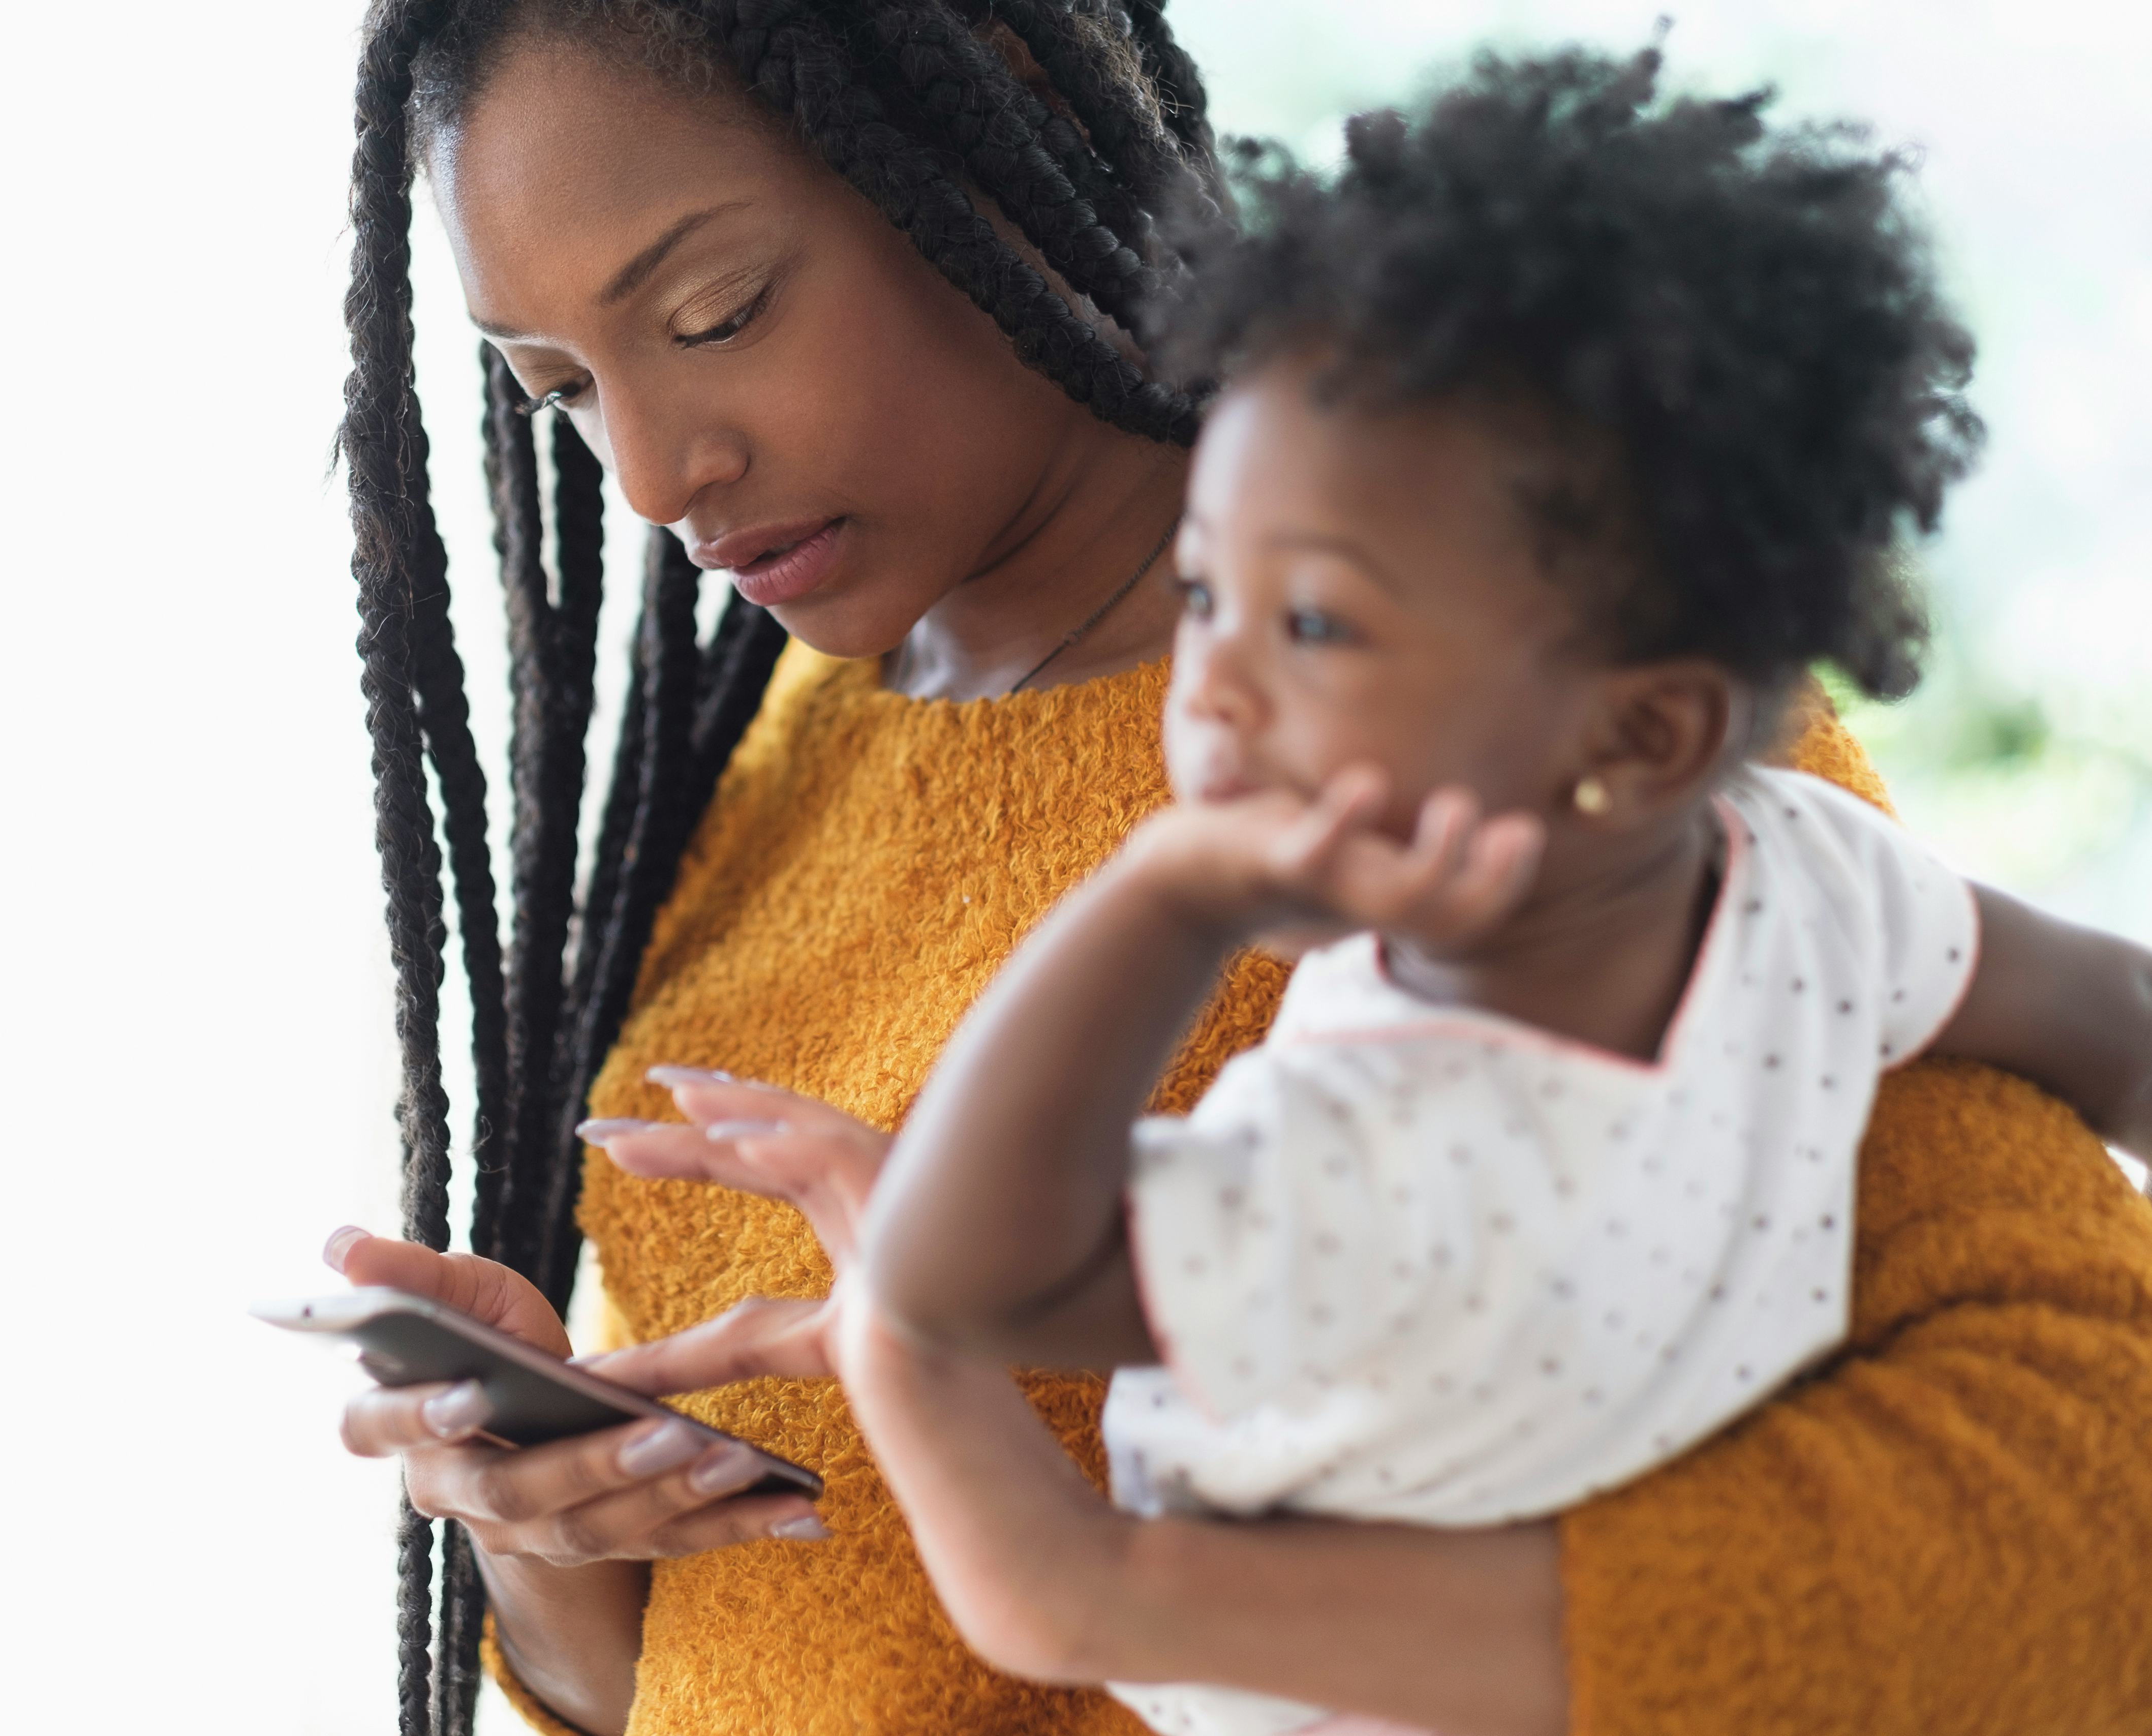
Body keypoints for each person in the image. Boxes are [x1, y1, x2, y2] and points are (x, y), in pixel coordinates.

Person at [319, 6, 2152, 1734]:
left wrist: (1135, 1602)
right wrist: (547, 1552)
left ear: (998, 138)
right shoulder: (764, 744)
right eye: (556, 386)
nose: (650, 473)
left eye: (715, 313)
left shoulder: (1502, 707)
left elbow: (2084, 1508)